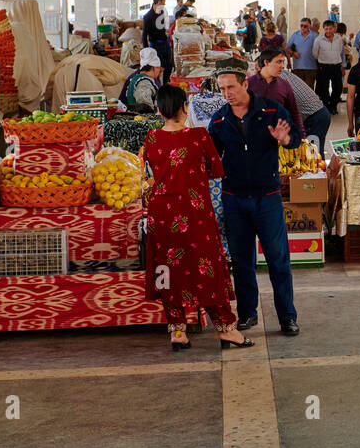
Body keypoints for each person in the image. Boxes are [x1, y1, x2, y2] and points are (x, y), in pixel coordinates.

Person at [141, 85, 251, 351]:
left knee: (168, 270)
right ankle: (226, 329)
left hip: (162, 214)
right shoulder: (199, 136)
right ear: (184, 107)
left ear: (159, 110)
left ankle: (177, 331)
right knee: (207, 268)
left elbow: (153, 173)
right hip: (194, 211)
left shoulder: (151, 138)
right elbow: (216, 169)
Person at [209, 65, 302, 337]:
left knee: (278, 259)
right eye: (222, 88)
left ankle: (287, 317)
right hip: (234, 198)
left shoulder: (272, 110)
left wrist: (285, 139)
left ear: (245, 85)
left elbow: (295, 138)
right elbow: (212, 159)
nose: (227, 93)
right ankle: (247, 313)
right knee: (241, 261)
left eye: (231, 87)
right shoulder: (218, 120)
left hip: (268, 197)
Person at [249, 46, 305, 132]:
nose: (282, 66)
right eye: (279, 62)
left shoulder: (285, 85)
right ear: (266, 62)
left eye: (283, 62)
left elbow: (294, 113)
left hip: (278, 137)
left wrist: (301, 136)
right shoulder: (248, 84)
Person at [280, 67, 332, 157]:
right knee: (312, 153)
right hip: (317, 114)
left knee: (313, 156)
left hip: (315, 117)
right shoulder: (283, 74)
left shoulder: (278, 80)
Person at [312, 19, 345, 113]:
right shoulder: (318, 40)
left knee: (338, 88)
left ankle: (333, 106)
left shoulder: (339, 39)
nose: (328, 31)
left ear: (334, 29)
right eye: (326, 29)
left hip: (336, 66)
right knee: (323, 88)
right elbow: (315, 53)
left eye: (330, 29)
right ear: (323, 29)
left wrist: (342, 65)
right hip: (324, 67)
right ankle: (326, 107)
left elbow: (341, 52)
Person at [141, 0, 174, 85]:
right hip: (155, 45)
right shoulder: (148, 16)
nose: (164, 6)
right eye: (163, 3)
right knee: (156, 68)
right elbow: (144, 35)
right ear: (159, 2)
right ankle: (157, 86)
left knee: (168, 65)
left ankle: (166, 84)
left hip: (165, 43)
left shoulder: (162, 13)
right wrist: (146, 49)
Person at [122, 47, 164, 114]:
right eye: (158, 68)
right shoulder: (144, 82)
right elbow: (145, 108)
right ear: (154, 68)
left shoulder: (137, 77)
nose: (160, 71)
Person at [287, 17, 319, 87]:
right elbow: (288, 48)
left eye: (305, 26)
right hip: (298, 67)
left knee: (309, 89)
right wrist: (293, 53)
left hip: (311, 67)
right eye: (301, 25)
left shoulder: (315, 35)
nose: (303, 27)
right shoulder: (295, 35)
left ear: (309, 26)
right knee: (299, 89)